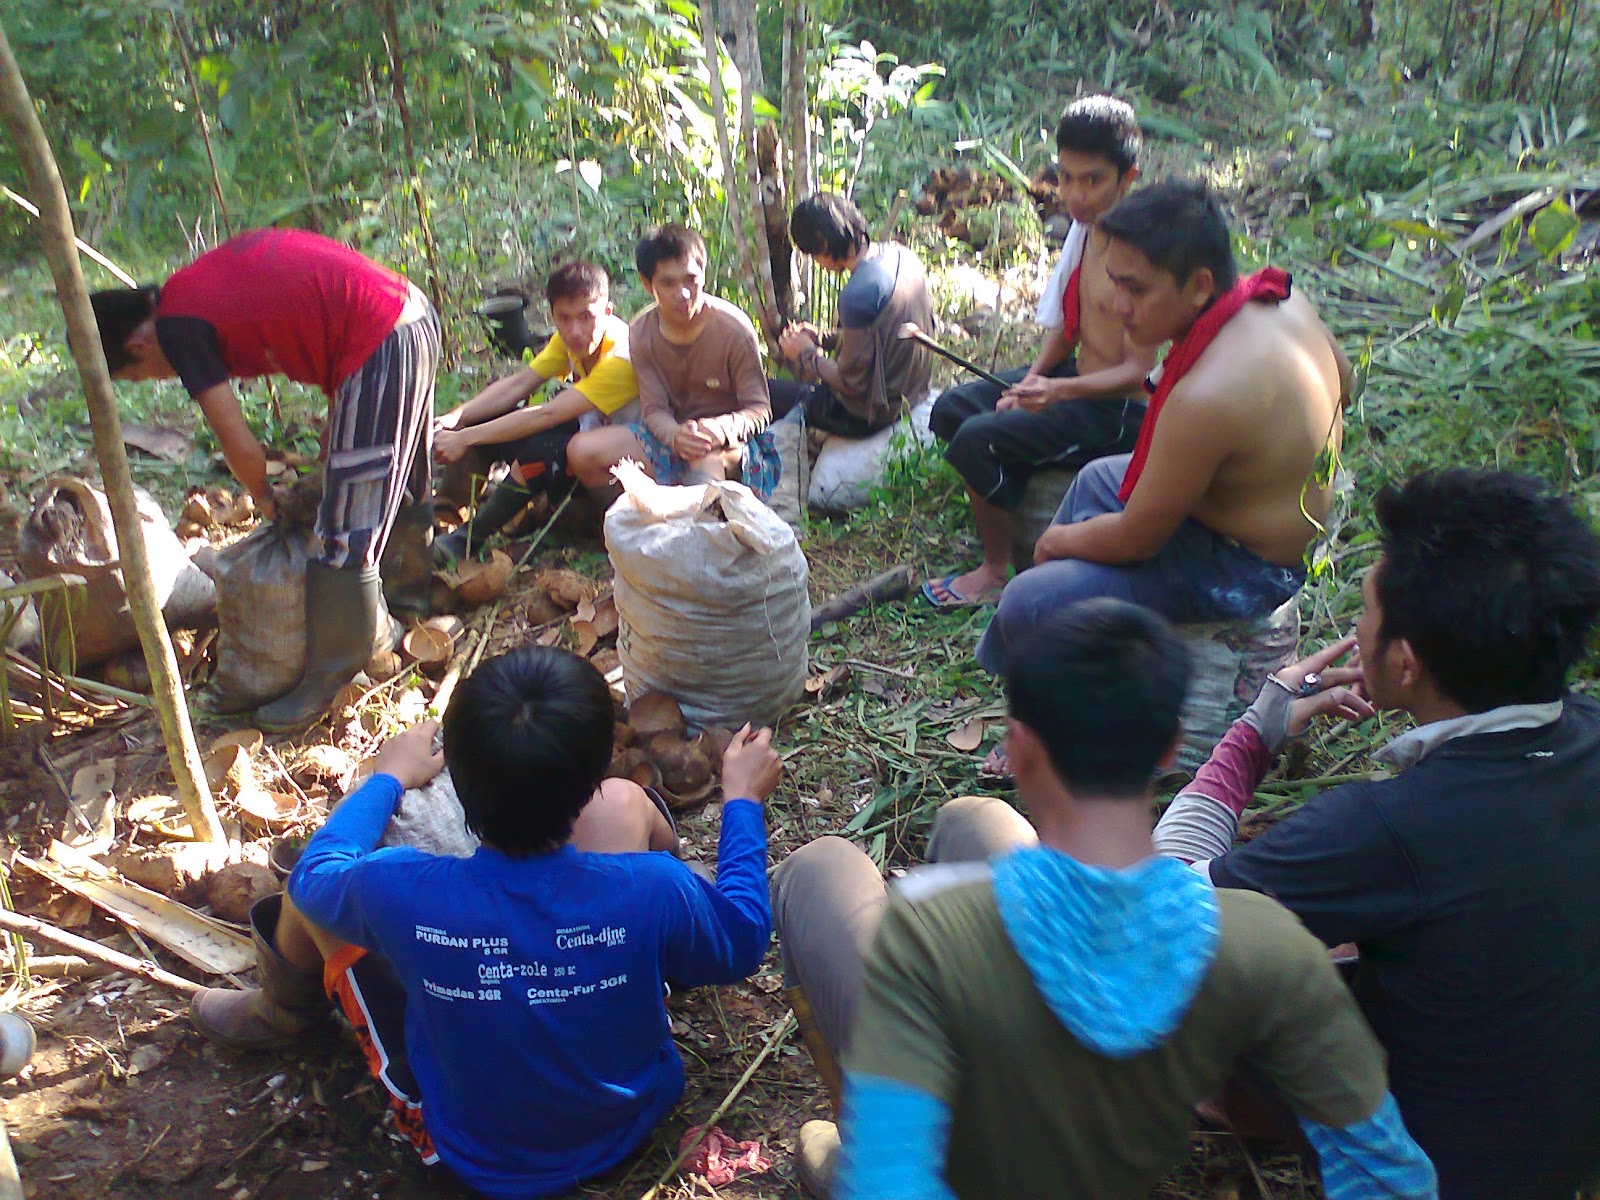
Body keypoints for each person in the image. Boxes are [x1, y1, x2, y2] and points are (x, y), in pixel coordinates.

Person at [773, 599, 1437, 1200]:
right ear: (1169, 748)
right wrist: (1255, 731)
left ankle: (850, 1144)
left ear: (1020, 750)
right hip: (1119, 1145)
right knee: (974, 820)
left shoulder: (930, 933)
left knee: (819, 866)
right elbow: (1388, 1174)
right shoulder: (1268, 945)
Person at [188, 645, 782, 1199]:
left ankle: (285, 1010)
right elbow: (745, 934)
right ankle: (641, 967)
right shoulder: (653, 889)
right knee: (628, 806)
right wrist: (742, 802)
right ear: (596, 768)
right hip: (630, 1120)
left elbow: (317, 872)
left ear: (458, 782)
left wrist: (386, 778)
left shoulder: (401, 889)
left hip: (476, 1156)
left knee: (305, 901)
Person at [1154, 469, 1600, 1200]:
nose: (1354, 629)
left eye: (1365, 610)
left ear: (1405, 659)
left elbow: (1163, 909)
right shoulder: (1584, 735)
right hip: (1558, 1150)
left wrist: (1254, 733)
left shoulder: (1388, 830)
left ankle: (1230, 1100)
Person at [975, 178, 1351, 676]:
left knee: (1028, 597)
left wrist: (1053, 544)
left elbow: (1137, 540)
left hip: (1250, 567)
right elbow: (1345, 377)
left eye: (1137, 289)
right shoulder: (1280, 301)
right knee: (1096, 479)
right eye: (1115, 283)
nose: (1117, 305)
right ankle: (1061, 655)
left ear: (1197, 285)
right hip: (1243, 516)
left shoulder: (1206, 394)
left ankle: (1036, 698)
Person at [90, 228, 440, 730]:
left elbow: (237, 442)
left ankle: (332, 674)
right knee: (404, 469)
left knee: (350, 514)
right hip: (408, 313)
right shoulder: (192, 292)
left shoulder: (177, 328)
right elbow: (315, 308)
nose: (159, 380)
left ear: (137, 343)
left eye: (143, 376)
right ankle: (411, 600)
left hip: (380, 334)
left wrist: (263, 495)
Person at [924, 96, 1156, 608]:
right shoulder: (1085, 228)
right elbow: (1068, 327)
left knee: (977, 441)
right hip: (1077, 379)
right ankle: (1011, 500)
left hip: (1121, 410)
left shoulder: (1146, 250)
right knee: (952, 409)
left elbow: (1140, 372)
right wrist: (1032, 379)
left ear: (1128, 176)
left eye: (1092, 180)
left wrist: (1054, 392)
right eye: (1067, 177)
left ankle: (996, 569)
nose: (1075, 194)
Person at [431, 261, 639, 565]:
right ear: (551, 315)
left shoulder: (622, 357)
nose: (575, 330)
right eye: (564, 319)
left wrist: (465, 438)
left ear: (607, 311)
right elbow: (519, 384)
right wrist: (457, 418)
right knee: (484, 421)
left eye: (586, 317)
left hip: (620, 467)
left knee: (544, 449)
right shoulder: (567, 341)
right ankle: (446, 515)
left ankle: (468, 539)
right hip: (587, 435)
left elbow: (547, 415)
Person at [566, 225, 780, 502]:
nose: (683, 294)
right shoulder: (641, 332)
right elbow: (654, 409)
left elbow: (759, 409)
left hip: (728, 444)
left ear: (703, 275)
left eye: (691, 279)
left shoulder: (734, 330)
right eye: (668, 283)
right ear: (647, 284)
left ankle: (698, 528)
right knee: (581, 450)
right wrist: (676, 435)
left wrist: (720, 429)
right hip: (669, 438)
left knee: (705, 465)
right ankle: (623, 522)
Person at [770, 192, 933, 439]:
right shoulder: (900, 255)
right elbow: (881, 338)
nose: (817, 263)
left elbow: (852, 384)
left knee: (768, 391)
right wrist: (824, 338)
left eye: (813, 255)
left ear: (823, 244)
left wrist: (805, 354)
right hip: (912, 391)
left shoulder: (857, 294)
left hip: (870, 416)